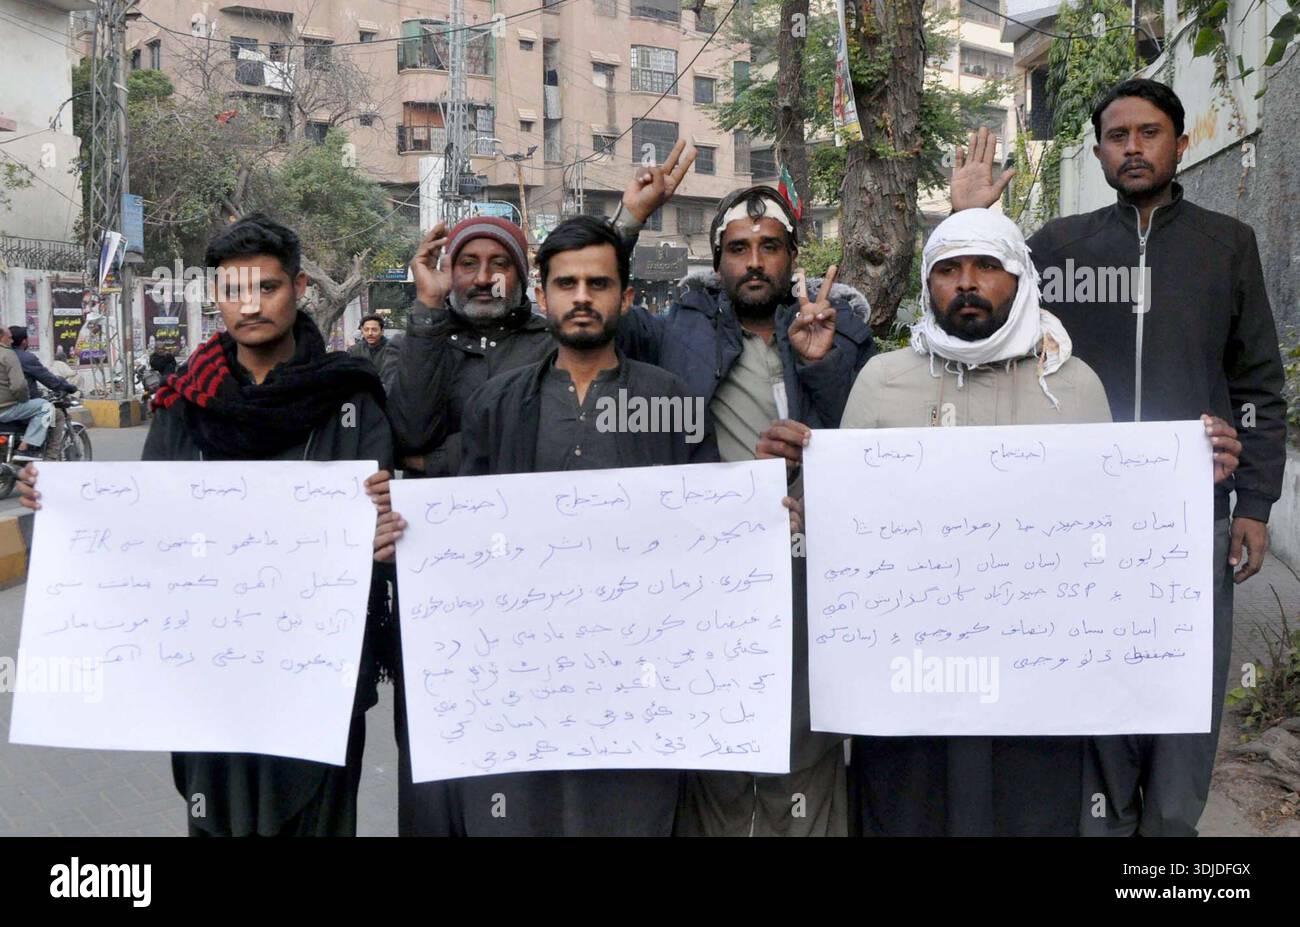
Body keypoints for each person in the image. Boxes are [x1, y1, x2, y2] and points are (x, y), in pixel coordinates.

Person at [952, 78, 1285, 837]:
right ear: (1097, 149)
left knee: (1184, 704)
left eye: (1149, 132)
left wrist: (1257, 505)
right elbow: (981, 325)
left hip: (1190, 520)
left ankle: (1169, 845)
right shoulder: (1058, 248)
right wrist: (972, 217)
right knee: (1092, 705)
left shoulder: (1227, 244)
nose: (1132, 146)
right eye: (1116, 135)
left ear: (1180, 142)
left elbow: (1258, 381)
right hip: (1079, 529)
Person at [20, 213, 395, 836]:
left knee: (317, 820)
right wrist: (64, 502)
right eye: (233, 291)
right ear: (216, 297)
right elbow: (143, 523)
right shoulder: (186, 401)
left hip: (315, 672)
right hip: (205, 667)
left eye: (267, 287)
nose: (250, 306)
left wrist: (384, 533)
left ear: (299, 287)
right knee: (214, 818)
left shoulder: (348, 397)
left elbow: (373, 525)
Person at [375, 216, 717, 835]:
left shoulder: (670, 402)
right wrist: (405, 533)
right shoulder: (498, 403)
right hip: (524, 674)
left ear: (626, 297)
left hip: (638, 675)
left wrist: (771, 515)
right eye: (566, 284)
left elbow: (710, 530)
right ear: (543, 296)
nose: (582, 297)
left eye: (598, 283)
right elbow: (463, 531)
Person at [614, 183, 878, 836]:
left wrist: (822, 369)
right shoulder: (674, 328)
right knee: (718, 758)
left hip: (808, 581)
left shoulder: (841, 325)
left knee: (805, 752)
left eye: (769, 247)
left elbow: (873, 440)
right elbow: (591, 300)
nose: (754, 261)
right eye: (738, 249)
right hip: (709, 587)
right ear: (717, 259)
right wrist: (630, 220)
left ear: (793, 254)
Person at [7, 326, 76, 460]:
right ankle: (50, 457)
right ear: (24, 342)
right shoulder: (26, 358)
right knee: (57, 415)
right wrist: (68, 387)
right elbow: (49, 380)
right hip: (18, 407)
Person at [0, 326, 56, 462]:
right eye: (9, 337)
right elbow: (19, 385)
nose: (11, 341)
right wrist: (23, 399)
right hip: (6, 409)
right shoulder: (8, 354)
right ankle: (25, 448)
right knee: (46, 407)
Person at [347, 313, 400, 393]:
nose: (370, 333)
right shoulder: (354, 350)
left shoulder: (392, 349)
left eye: (374, 330)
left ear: (382, 331)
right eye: (366, 329)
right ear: (362, 330)